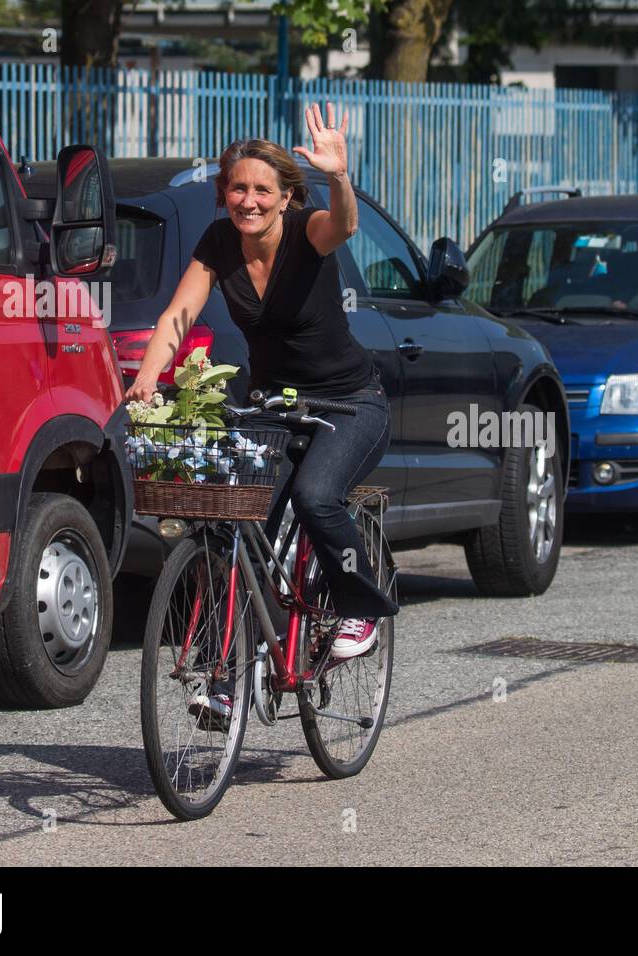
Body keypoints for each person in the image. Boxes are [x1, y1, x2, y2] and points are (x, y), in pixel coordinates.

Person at [124, 103, 398, 723]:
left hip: (351, 404)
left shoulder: (309, 229)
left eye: (262, 190)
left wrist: (340, 175)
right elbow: (177, 315)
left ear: (286, 196)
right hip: (274, 405)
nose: (248, 200)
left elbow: (346, 227)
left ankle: (357, 606)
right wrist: (145, 377)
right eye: (238, 188)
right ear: (225, 194)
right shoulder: (219, 242)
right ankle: (227, 679)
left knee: (316, 495)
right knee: (234, 529)